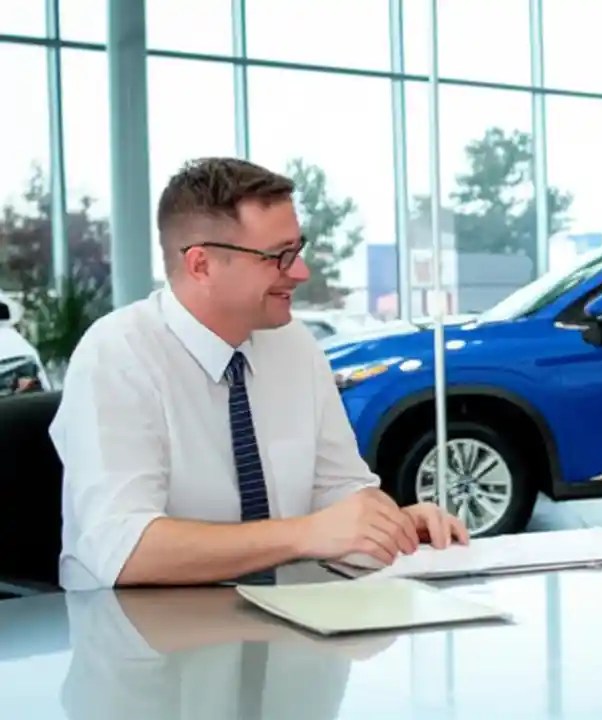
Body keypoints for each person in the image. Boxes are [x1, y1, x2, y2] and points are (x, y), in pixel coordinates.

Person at [51, 157, 468, 592]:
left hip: (289, 627)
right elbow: (123, 550)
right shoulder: (117, 354)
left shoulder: (294, 345)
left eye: (297, 250)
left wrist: (386, 525)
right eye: (278, 256)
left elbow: (340, 488)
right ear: (201, 265)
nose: (301, 272)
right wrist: (307, 534)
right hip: (144, 640)